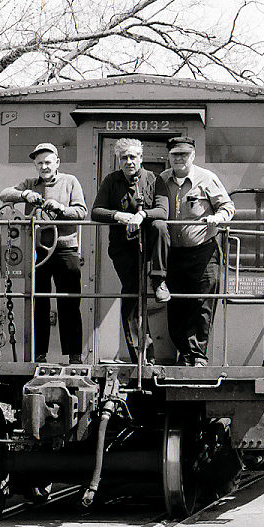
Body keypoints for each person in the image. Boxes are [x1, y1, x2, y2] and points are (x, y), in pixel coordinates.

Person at [0, 142, 88, 363]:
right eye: (39, 163)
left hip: (66, 249)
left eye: (48, 162)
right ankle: (40, 355)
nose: (44, 167)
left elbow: (82, 212)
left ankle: (75, 356)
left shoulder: (70, 182)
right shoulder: (29, 183)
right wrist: (25, 195)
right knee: (39, 303)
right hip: (37, 253)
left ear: (57, 162)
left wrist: (60, 208)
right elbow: (4, 194)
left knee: (69, 303)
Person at [91, 138, 170, 363]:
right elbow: (96, 211)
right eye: (124, 157)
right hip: (123, 249)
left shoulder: (155, 180)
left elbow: (163, 211)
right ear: (118, 160)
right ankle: (140, 355)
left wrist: (142, 215)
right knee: (132, 294)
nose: (129, 161)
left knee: (160, 226)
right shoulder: (111, 181)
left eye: (133, 157)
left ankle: (159, 279)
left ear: (141, 158)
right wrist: (119, 215)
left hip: (152, 250)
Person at [160, 136, 235, 367]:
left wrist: (217, 218)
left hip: (203, 252)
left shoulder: (207, 178)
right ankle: (184, 355)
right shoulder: (162, 180)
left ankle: (198, 357)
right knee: (176, 306)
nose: (180, 159)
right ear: (169, 157)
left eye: (184, 154)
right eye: (175, 155)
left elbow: (227, 206)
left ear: (192, 156)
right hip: (174, 254)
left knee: (201, 305)